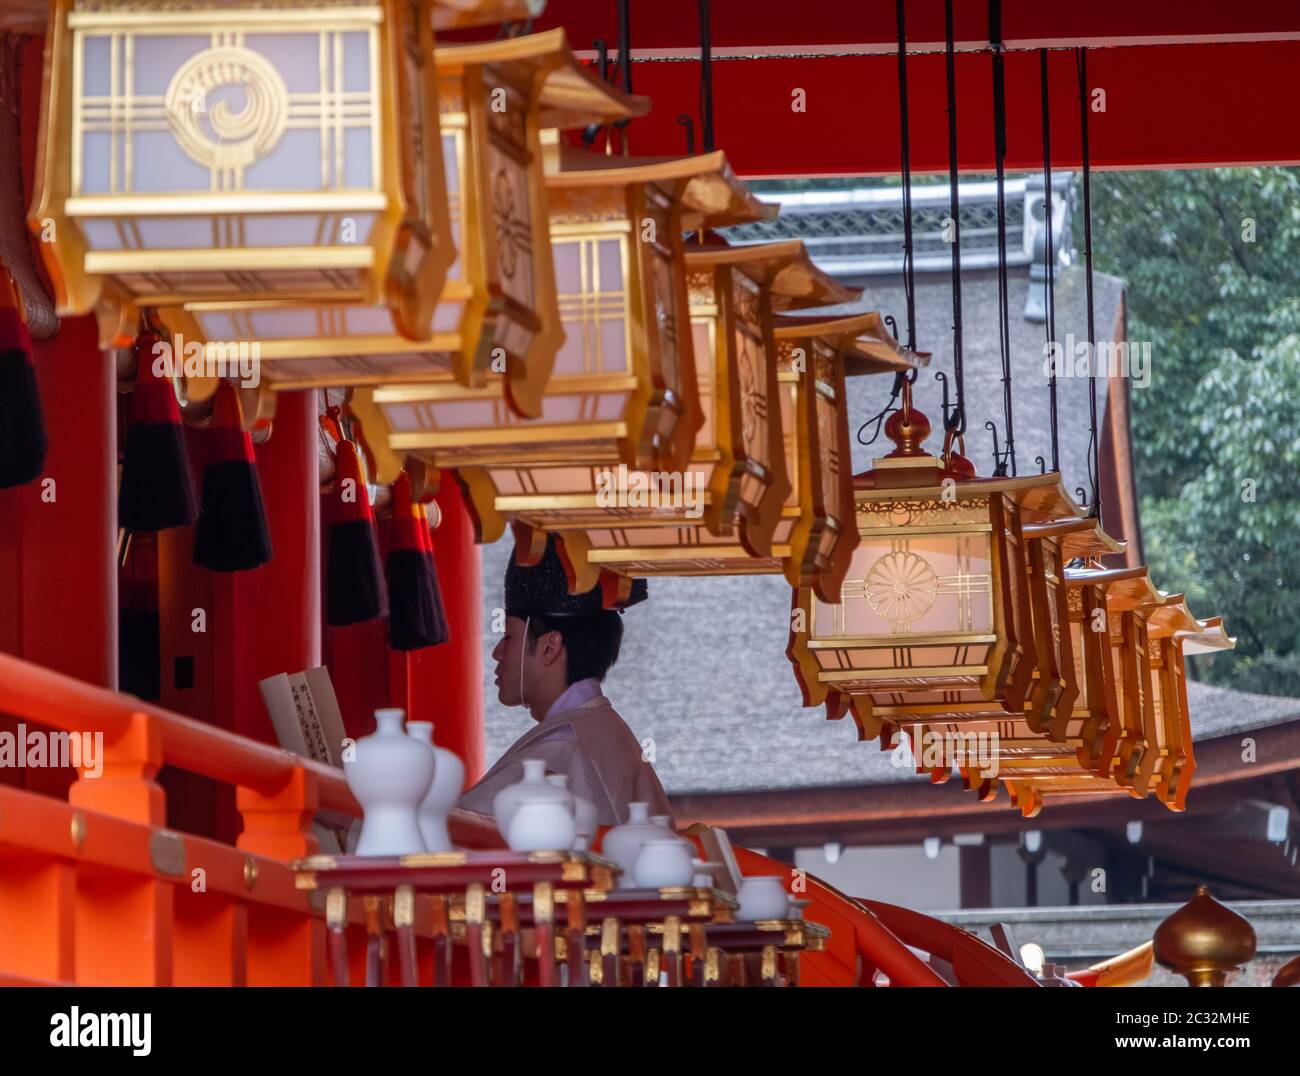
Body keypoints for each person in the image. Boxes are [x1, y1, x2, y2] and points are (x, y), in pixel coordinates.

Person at [457, 535, 673, 827]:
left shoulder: (562, 748)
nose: (497, 652)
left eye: (508, 636)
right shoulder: (610, 733)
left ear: (549, 646)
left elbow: (462, 835)